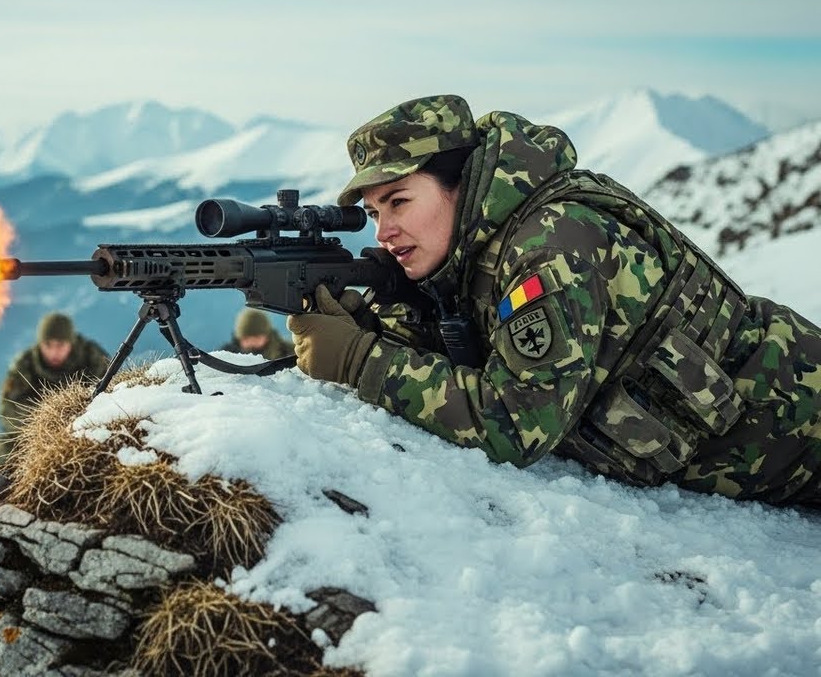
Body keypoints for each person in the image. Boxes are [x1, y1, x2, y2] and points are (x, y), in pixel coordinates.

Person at [288, 94, 821, 506]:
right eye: (376, 213)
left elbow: (516, 423)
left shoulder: (551, 246)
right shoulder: (479, 246)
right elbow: (474, 341)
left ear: (461, 185)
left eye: (399, 202)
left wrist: (361, 359)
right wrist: (377, 329)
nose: (384, 231)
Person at [0, 312, 110, 469]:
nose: (54, 352)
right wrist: (42, 424)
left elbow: (112, 394)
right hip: (34, 435)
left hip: (86, 430)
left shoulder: (93, 357)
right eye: (48, 345)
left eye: (60, 345)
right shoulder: (24, 364)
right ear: (40, 344)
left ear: (71, 343)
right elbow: (8, 408)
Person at [219, 308, 294, 360]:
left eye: (256, 338)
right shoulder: (225, 357)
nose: (252, 343)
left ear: (267, 336)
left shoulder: (291, 354)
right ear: (239, 339)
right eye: (246, 339)